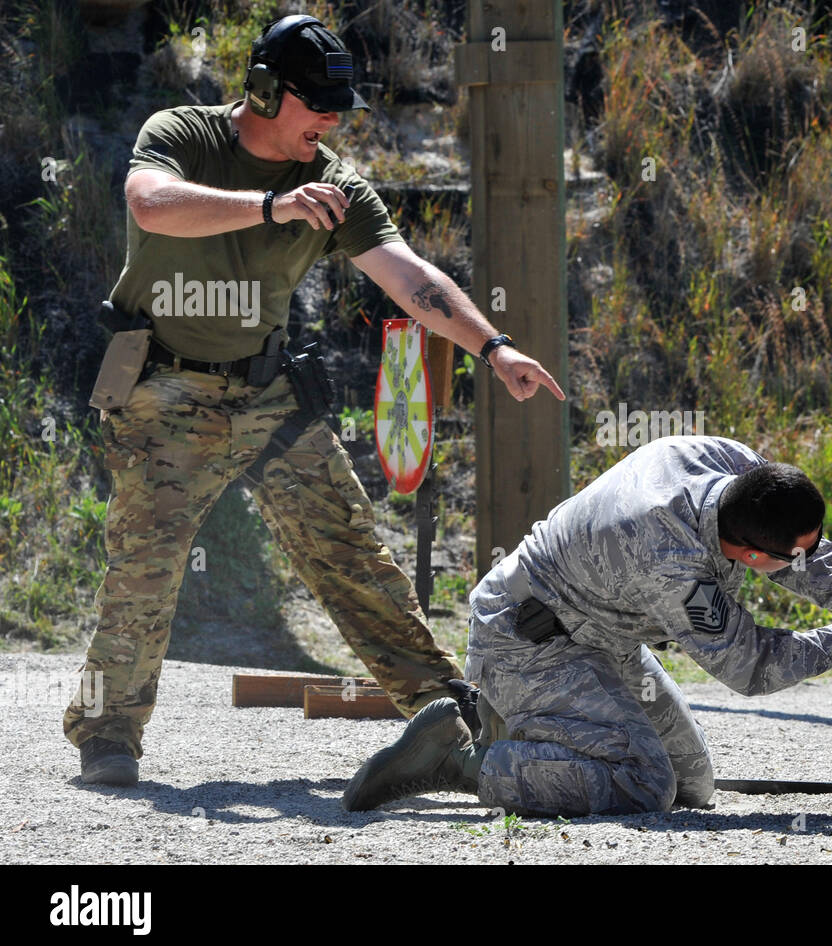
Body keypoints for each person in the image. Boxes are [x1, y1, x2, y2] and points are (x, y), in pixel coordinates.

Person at [65, 14, 564, 787]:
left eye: (340, 108)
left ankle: (447, 717)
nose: (331, 124)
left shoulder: (335, 182)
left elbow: (411, 279)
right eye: (318, 106)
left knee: (351, 552)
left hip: (266, 392)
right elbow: (151, 205)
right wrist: (273, 207)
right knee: (146, 566)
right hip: (163, 386)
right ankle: (108, 734)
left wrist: (494, 348)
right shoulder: (184, 133)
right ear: (264, 90)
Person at [342, 435, 832, 816]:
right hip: (527, 643)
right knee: (644, 784)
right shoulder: (672, 561)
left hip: (598, 634)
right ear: (753, 556)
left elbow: (797, 551)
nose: (802, 561)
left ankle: (508, 720)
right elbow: (751, 666)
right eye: (786, 558)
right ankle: (465, 760)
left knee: (693, 785)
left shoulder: (733, 468)